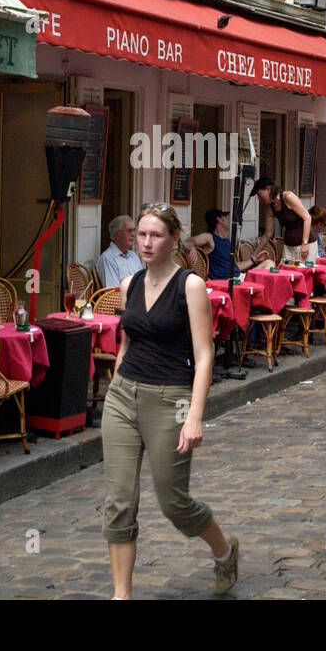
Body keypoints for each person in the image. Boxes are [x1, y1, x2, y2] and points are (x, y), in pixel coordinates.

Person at [102, 203, 238, 598]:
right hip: (124, 397)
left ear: (174, 238)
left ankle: (223, 550)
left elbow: (205, 355)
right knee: (119, 501)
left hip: (171, 399)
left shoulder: (190, 286)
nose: (146, 242)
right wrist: (115, 385)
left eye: (155, 235)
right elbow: (127, 342)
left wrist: (195, 416)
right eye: (141, 234)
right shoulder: (130, 284)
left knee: (173, 502)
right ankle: (121, 594)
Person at [182, 208, 275, 280]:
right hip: (225, 281)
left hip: (237, 278)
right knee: (268, 267)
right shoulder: (210, 238)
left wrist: (254, 260)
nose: (228, 220)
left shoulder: (227, 241)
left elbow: (235, 266)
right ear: (219, 220)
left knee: (269, 263)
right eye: (226, 218)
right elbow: (187, 242)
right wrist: (192, 247)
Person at [254, 177, 317, 262]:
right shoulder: (270, 208)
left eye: (259, 194)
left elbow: (307, 218)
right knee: (287, 272)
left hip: (305, 242)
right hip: (289, 244)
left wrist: (304, 243)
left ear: (268, 189)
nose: (259, 199)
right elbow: (268, 234)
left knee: (305, 272)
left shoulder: (287, 196)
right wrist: (254, 255)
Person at [97, 215, 145, 287]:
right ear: (117, 235)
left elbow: (143, 282)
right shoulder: (108, 258)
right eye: (129, 231)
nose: (133, 234)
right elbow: (113, 293)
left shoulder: (133, 255)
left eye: (134, 230)